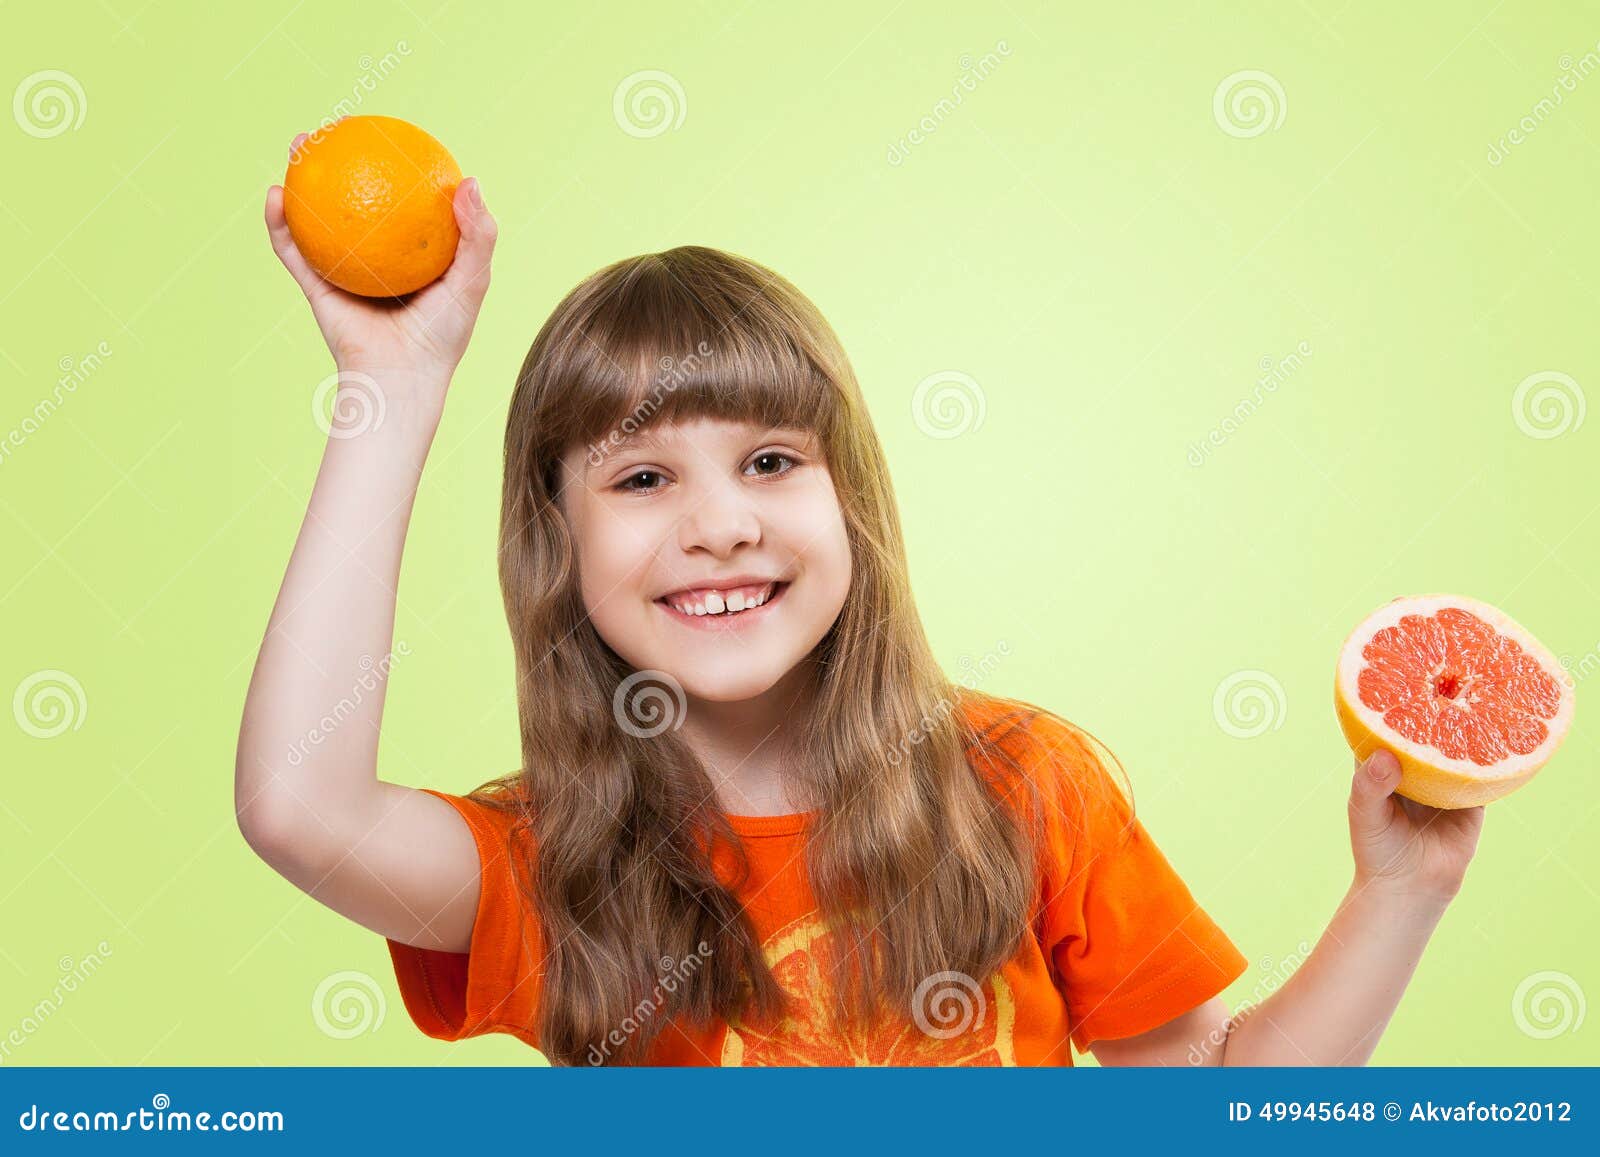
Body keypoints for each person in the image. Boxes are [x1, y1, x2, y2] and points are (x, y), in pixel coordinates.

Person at [237, 134, 1484, 1067]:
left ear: (852, 504)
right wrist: (391, 386)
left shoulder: (1022, 783)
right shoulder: (547, 864)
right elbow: (300, 807)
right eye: (641, 475)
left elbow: (1211, 1108)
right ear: (554, 541)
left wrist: (1399, 891)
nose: (721, 520)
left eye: (771, 461)